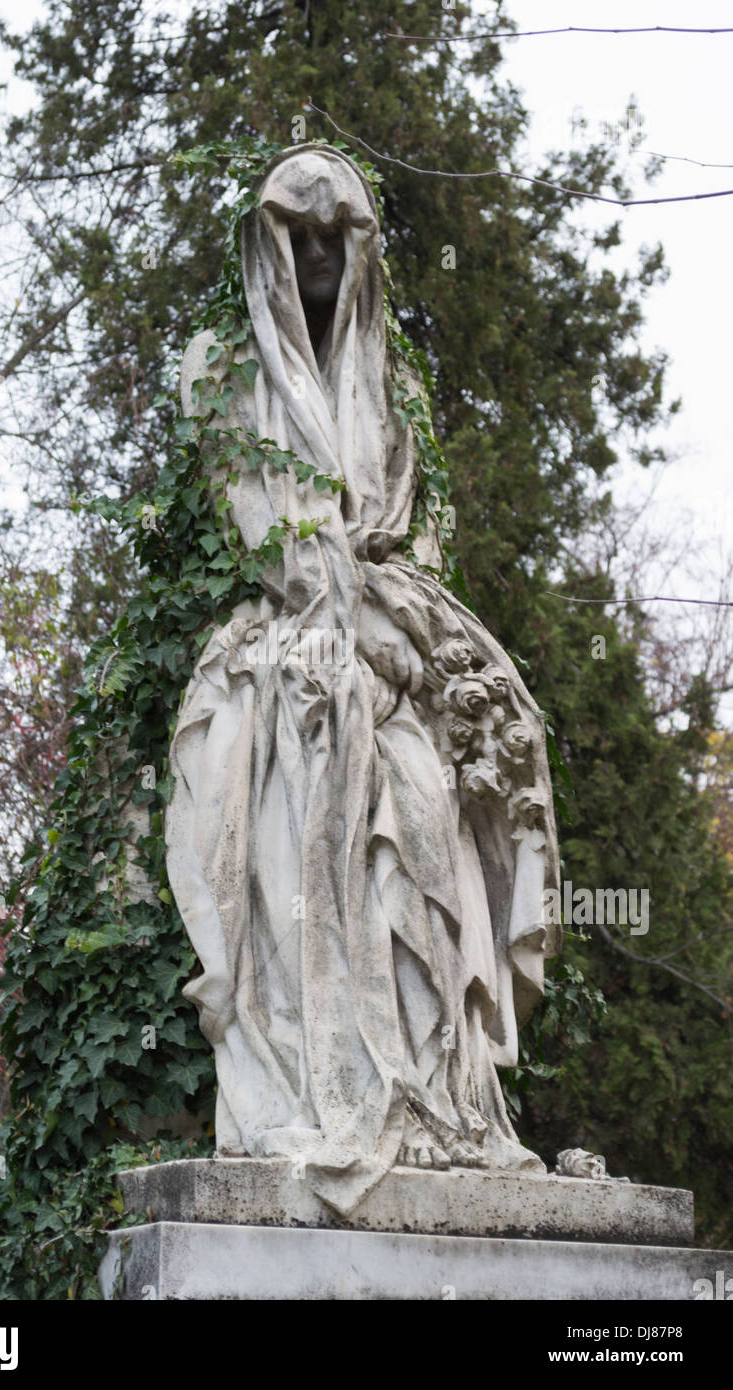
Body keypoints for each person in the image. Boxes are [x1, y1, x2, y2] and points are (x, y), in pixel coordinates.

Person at [165, 144, 561, 1215]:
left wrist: (399, 632)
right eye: (297, 228)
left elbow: (417, 538)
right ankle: (320, 1078)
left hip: (393, 654)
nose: (319, 248)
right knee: (297, 795)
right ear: (266, 243)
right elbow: (265, 534)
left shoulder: (395, 388)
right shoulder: (222, 367)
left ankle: (441, 1095)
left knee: (428, 821)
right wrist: (345, 626)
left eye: (338, 228)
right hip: (290, 651)